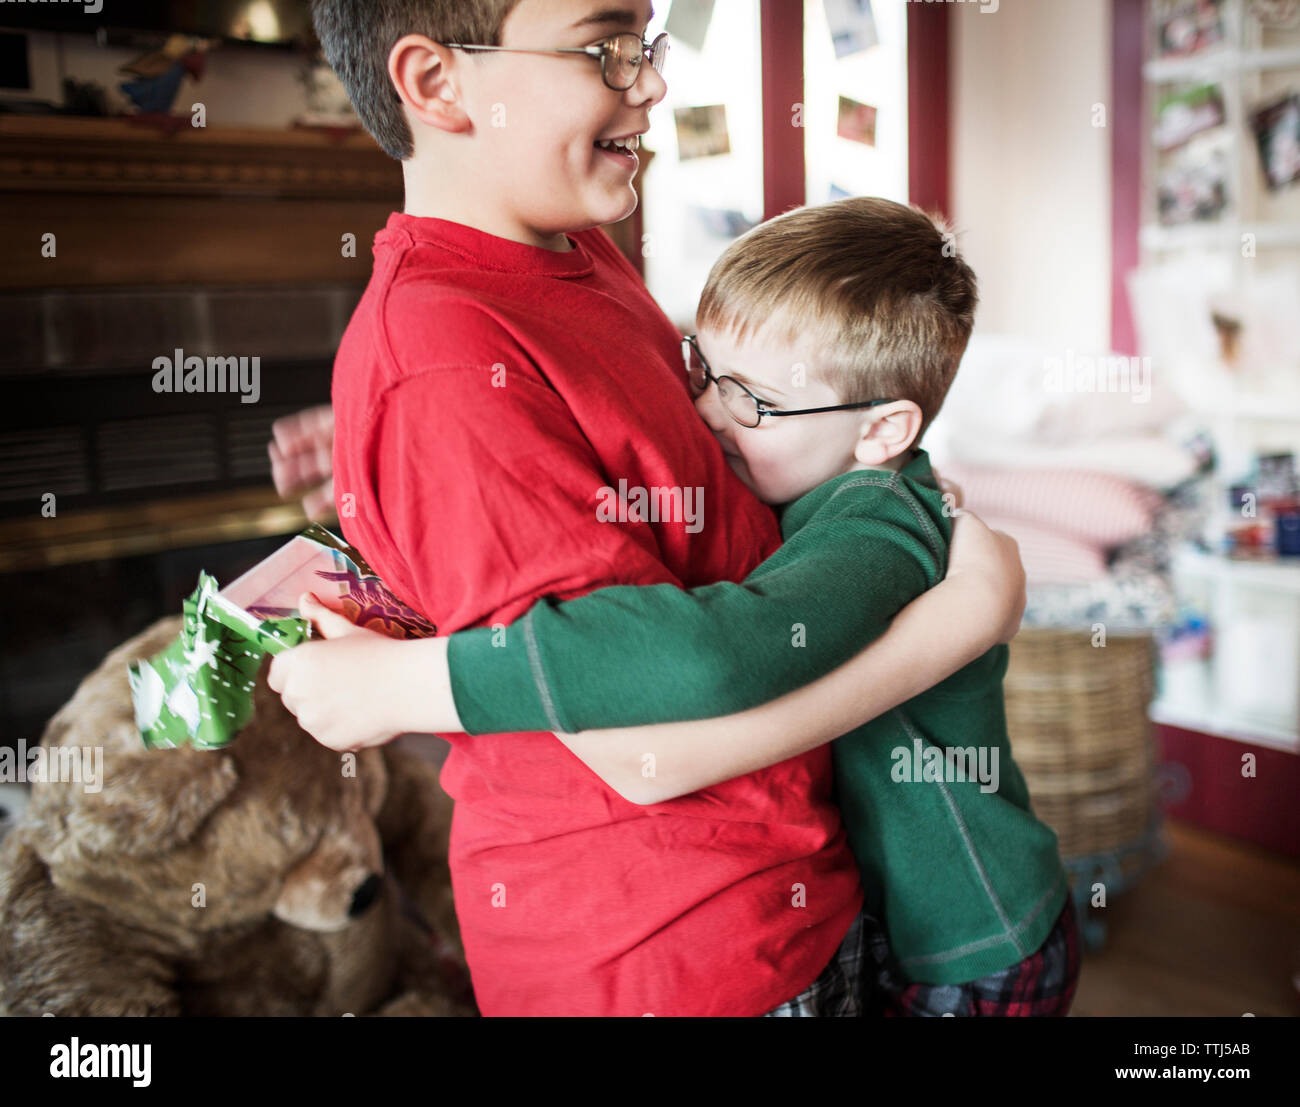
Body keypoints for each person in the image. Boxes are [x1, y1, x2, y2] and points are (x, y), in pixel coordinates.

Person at [269, 0, 1026, 1017]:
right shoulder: (442, 357)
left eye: (649, 45)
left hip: (781, 899)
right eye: (605, 48)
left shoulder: (579, 256)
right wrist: (951, 625)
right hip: (668, 958)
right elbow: (638, 749)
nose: (653, 81)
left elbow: (635, 443)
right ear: (438, 83)